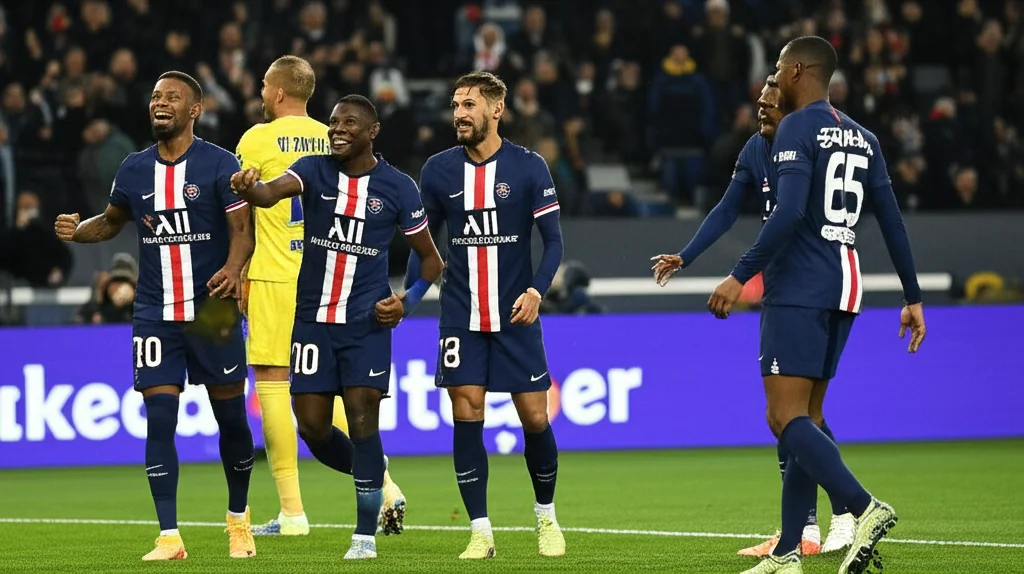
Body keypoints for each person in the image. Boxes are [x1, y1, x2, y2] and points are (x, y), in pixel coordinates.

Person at [700, 37, 926, 574]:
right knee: (809, 415)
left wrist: (738, 276)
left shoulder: (797, 127)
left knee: (783, 417)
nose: (774, 80)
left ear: (798, 69)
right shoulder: (864, 137)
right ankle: (786, 556)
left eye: (779, 70)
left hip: (800, 284)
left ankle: (862, 506)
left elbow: (788, 213)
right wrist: (912, 295)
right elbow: (891, 221)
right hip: (846, 284)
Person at [229, 95, 444, 559]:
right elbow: (268, 194)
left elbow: (431, 261)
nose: (337, 129)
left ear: (373, 131)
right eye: (333, 122)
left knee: (364, 421)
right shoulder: (312, 169)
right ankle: (373, 467)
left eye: (349, 123)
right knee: (312, 428)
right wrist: (249, 186)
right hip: (311, 324)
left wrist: (406, 302)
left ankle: (364, 535)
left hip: (365, 326)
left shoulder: (398, 187)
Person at [54, 71, 257, 561]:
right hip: (154, 313)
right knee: (159, 418)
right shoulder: (133, 169)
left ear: (195, 110)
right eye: (155, 97)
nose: (160, 103)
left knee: (230, 417)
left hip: (211, 311)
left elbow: (242, 231)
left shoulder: (219, 163)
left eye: (173, 98)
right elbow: (111, 220)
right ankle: (169, 536)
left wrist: (233, 270)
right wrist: (79, 230)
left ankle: (238, 521)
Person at [651, 77, 856, 558]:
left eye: (768, 104)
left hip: (811, 284)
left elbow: (796, 217)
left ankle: (848, 511)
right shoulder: (756, 148)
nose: (760, 111)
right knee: (796, 415)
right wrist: (686, 256)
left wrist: (739, 275)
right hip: (787, 286)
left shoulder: (808, 145)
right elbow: (726, 209)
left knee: (794, 414)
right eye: (758, 105)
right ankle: (809, 529)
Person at [405, 71, 565, 559]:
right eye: (455, 104)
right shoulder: (437, 170)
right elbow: (423, 245)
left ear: (497, 109)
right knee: (465, 412)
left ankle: (546, 518)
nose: (459, 113)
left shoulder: (529, 166)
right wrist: (408, 298)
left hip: (516, 315)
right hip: (461, 314)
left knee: (534, 416)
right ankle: (480, 531)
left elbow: (554, 242)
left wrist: (538, 290)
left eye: (470, 104)